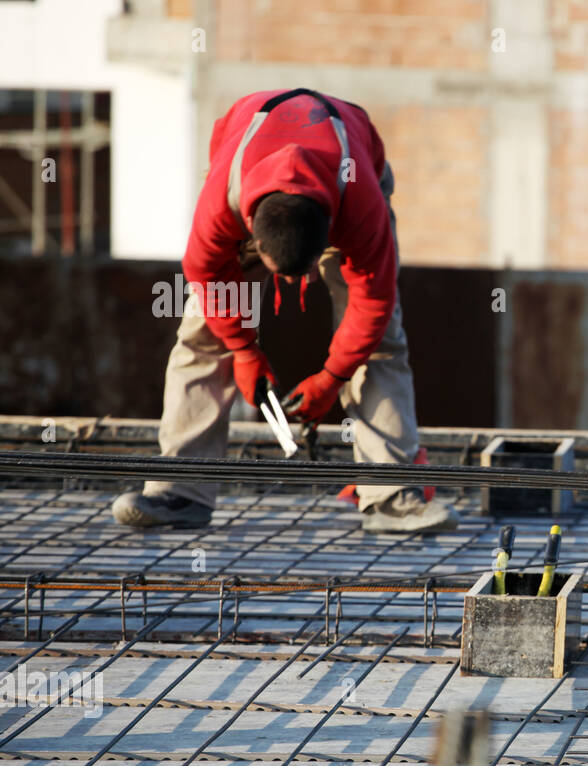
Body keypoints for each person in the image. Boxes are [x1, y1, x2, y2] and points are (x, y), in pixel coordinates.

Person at [112, 88, 458, 534]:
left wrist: (331, 378)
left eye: (305, 272)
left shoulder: (360, 207)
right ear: (249, 235)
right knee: (203, 335)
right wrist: (243, 350)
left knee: (381, 344)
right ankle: (180, 491)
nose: (297, 284)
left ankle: (390, 495)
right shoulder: (221, 206)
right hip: (249, 168)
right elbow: (206, 275)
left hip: (348, 173)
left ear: (329, 238)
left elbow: (373, 303)